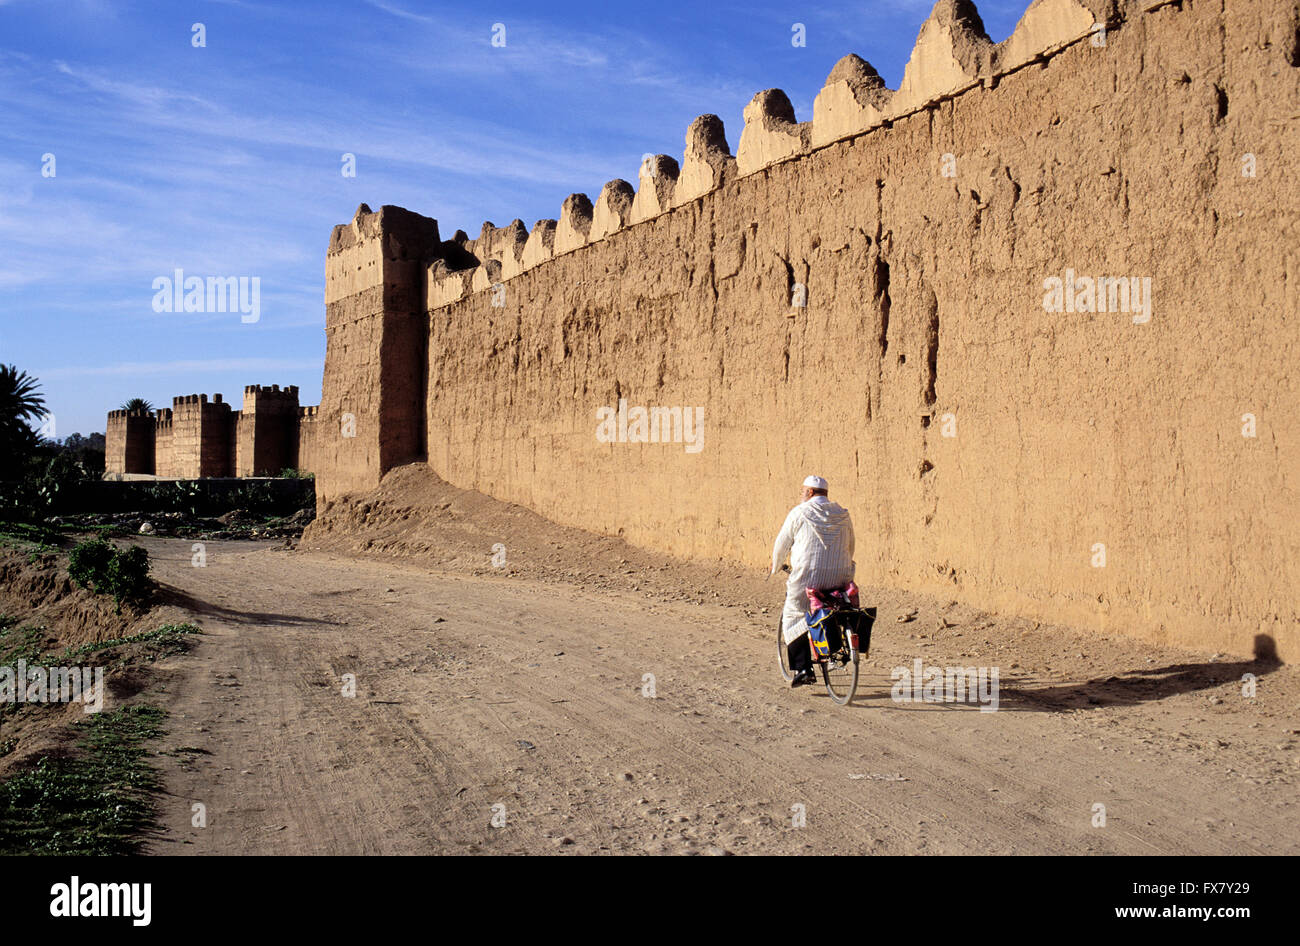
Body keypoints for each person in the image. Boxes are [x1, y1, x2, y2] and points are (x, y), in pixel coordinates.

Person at [770, 475, 855, 687]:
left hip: (808, 576)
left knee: (794, 614)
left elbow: (781, 545)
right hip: (841, 574)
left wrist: (775, 567)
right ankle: (837, 649)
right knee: (834, 606)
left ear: (809, 493)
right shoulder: (843, 514)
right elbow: (850, 545)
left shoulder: (799, 512)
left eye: (802, 491)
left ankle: (803, 668)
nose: (801, 495)